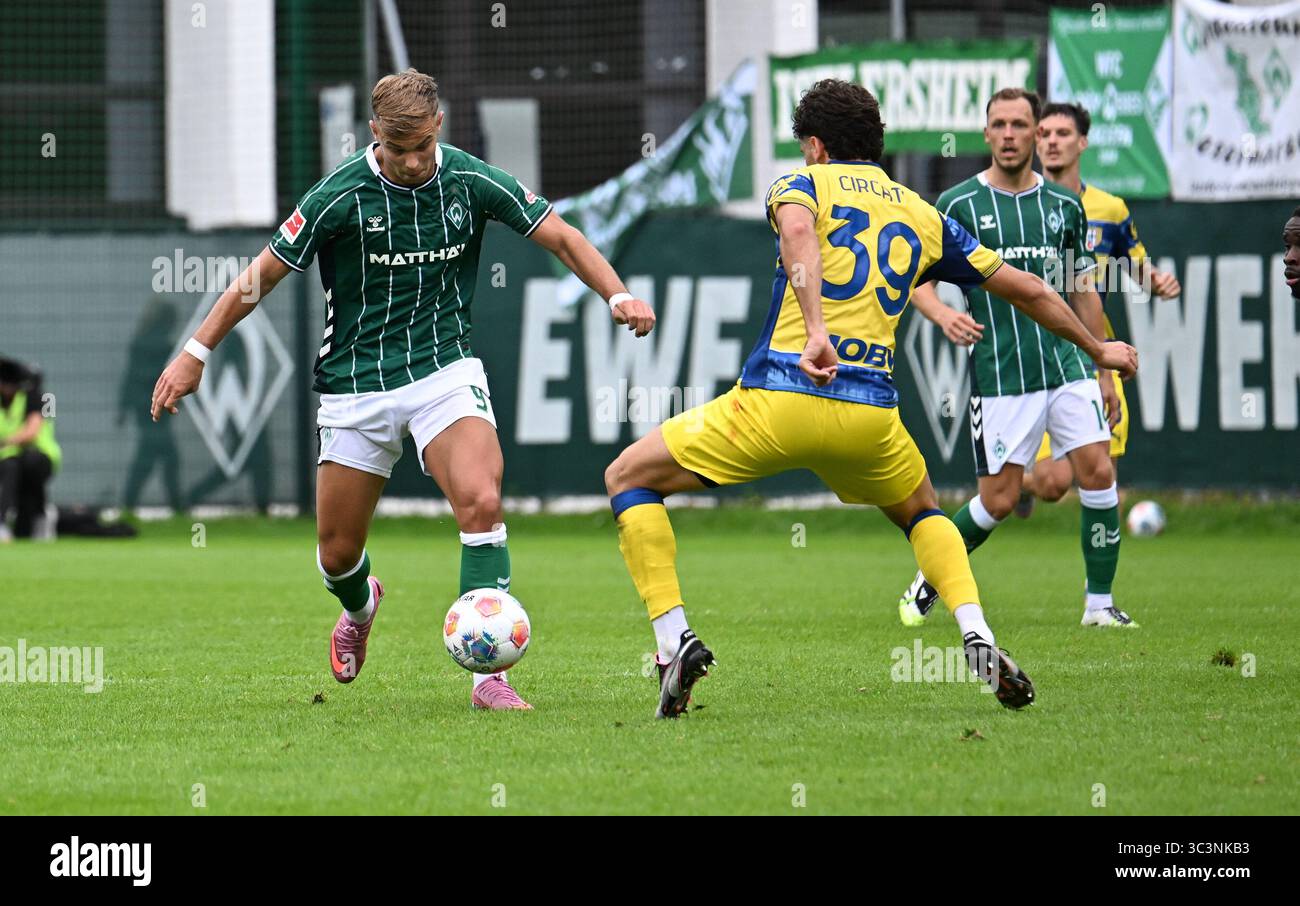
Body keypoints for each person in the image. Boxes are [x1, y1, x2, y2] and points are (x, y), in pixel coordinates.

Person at [602, 79, 1138, 719]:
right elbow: (1025, 287)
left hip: (778, 400)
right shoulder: (921, 211)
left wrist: (818, 330)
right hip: (870, 417)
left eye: (805, 146)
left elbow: (798, 230)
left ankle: (674, 645)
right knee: (922, 514)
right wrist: (1097, 348)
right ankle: (976, 632)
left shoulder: (800, 187)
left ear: (817, 146)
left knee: (628, 477)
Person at [151, 69, 656, 709]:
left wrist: (617, 292)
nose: (413, 161)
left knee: (480, 500)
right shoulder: (340, 195)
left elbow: (560, 234)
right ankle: (361, 610)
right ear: (374, 134)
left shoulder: (471, 180)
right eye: (397, 148)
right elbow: (260, 277)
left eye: (421, 146)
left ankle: (489, 677)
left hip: (444, 371)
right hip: (356, 384)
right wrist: (197, 352)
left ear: (438, 125)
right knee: (337, 554)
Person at [898, 88, 1138, 630]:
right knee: (999, 501)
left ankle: (1099, 604)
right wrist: (941, 314)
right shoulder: (958, 205)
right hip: (1002, 375)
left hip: (1068, 367)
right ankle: (931, 575)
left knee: (1098, 472)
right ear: (986, 134)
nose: (1009, 135)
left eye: (1020, 125)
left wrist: (1102, 369)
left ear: (1035, 134)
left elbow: (1083, 290)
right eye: (999, 125)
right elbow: (918, 281)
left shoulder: (1064, 206)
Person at [1018, 101, 1181, 511]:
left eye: (1063, 134)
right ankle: (1017, 482)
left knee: (1101, 471)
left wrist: (1157, 282)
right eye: (1045, 134)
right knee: (1053, 484)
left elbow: (1136, 266)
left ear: (1083, 142)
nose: (1052, 142)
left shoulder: (1110, 210)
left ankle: (1101, 577)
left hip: (1094, 350)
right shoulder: (1019, 207)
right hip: (1037, 356)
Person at [0, 356, 62, 542]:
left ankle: (38, 515)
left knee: (27, 464)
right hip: (12, 456)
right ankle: (38, 516)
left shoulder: (35, 398)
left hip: (38, 455)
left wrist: (5, 442)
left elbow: (31, 433)